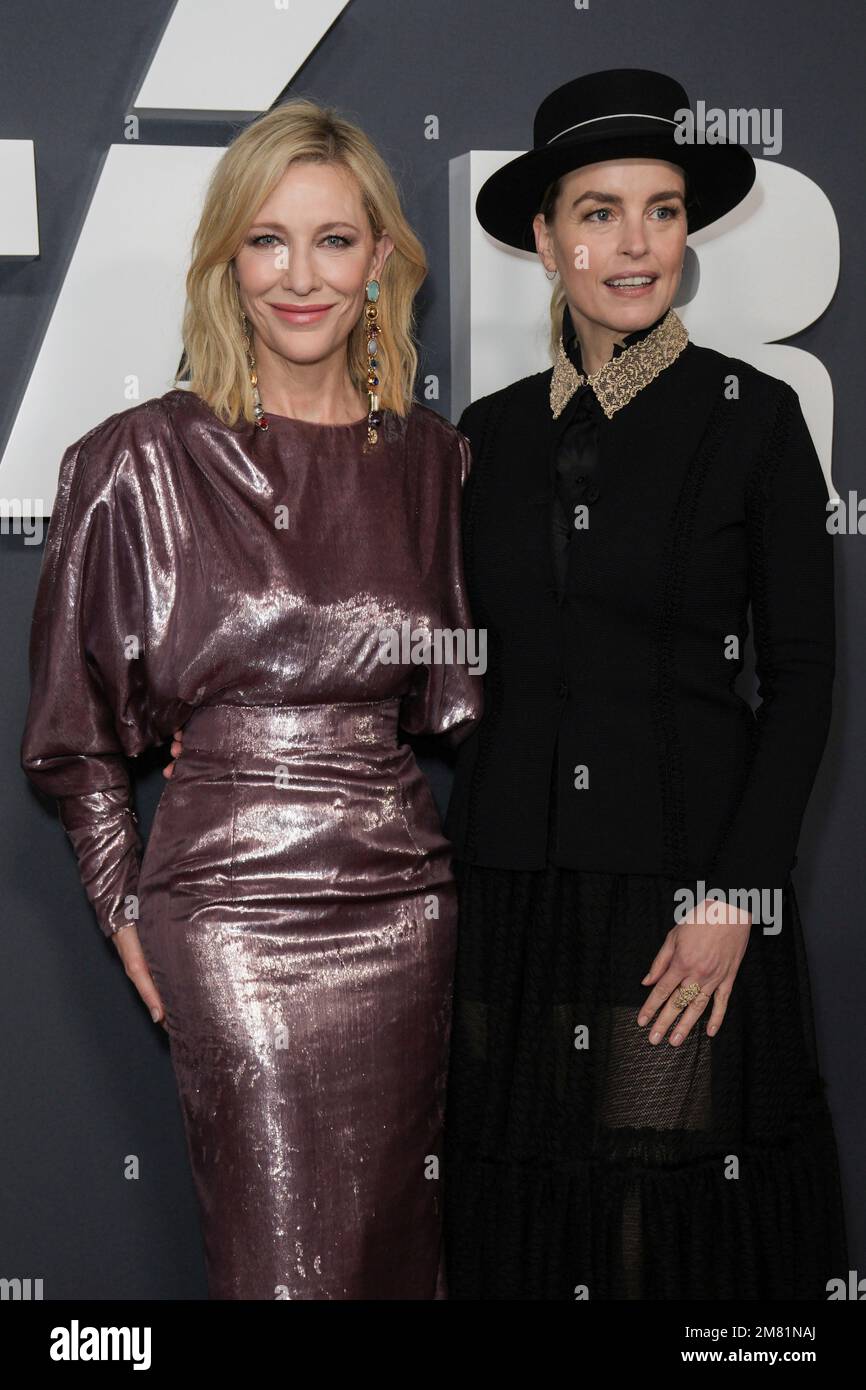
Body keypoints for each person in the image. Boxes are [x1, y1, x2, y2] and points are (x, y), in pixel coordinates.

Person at [20, 98, 482, 1300]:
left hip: (403, 909)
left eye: (334, 240)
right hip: (226, 916)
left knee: (394, 1253)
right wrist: (125, 902)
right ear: (229, 259)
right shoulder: (137, 458)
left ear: (381, 259)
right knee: (283, 1262)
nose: (300, 276)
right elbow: (70, 730)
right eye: (267, 240)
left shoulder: (432, 460)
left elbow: (448, 695)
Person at [441, 68, 849, 1299]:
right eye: (600, 211)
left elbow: (802, 672)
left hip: (675, 899)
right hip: (509, 896)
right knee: (519, 1203)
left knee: (648, 1206)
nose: (633, 244)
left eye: (661, 210)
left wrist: (733, 895)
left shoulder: (755, 417)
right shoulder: (488, 435)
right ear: (543, 236)